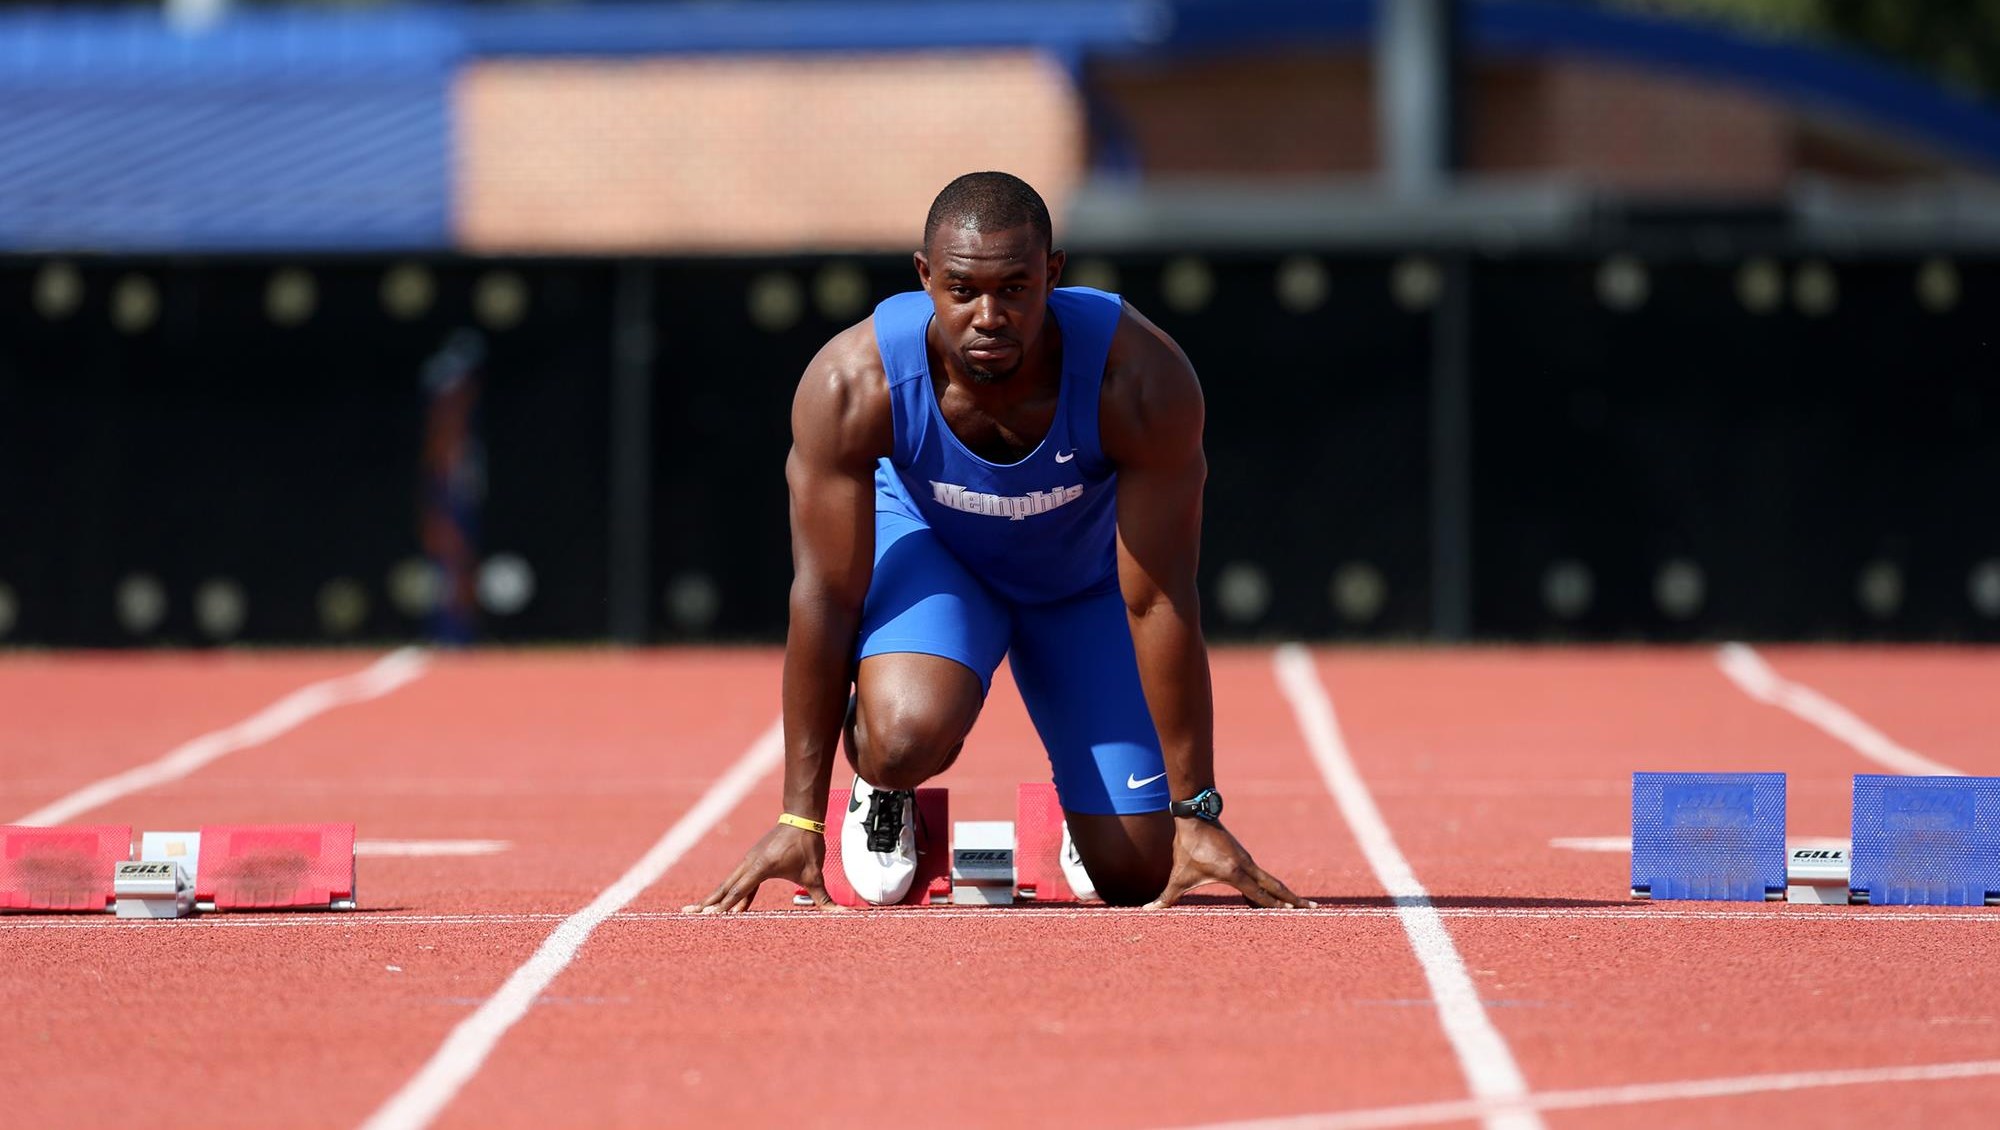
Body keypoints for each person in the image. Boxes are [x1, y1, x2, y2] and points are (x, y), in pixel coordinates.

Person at [685, 172, 1310, 912]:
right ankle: (885, 791)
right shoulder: (854, 384)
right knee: (903, 734)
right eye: (962, 290)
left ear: (1053, 274)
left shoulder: (1137, 378)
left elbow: (1160, 598)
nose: (989, 317)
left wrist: (1196, 810)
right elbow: (825, 597)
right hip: (942, 561)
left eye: (1015, 289)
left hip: (1082, 584)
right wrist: (798, 816)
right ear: (924, 278)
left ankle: (1089, 808)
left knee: (1141, 871)